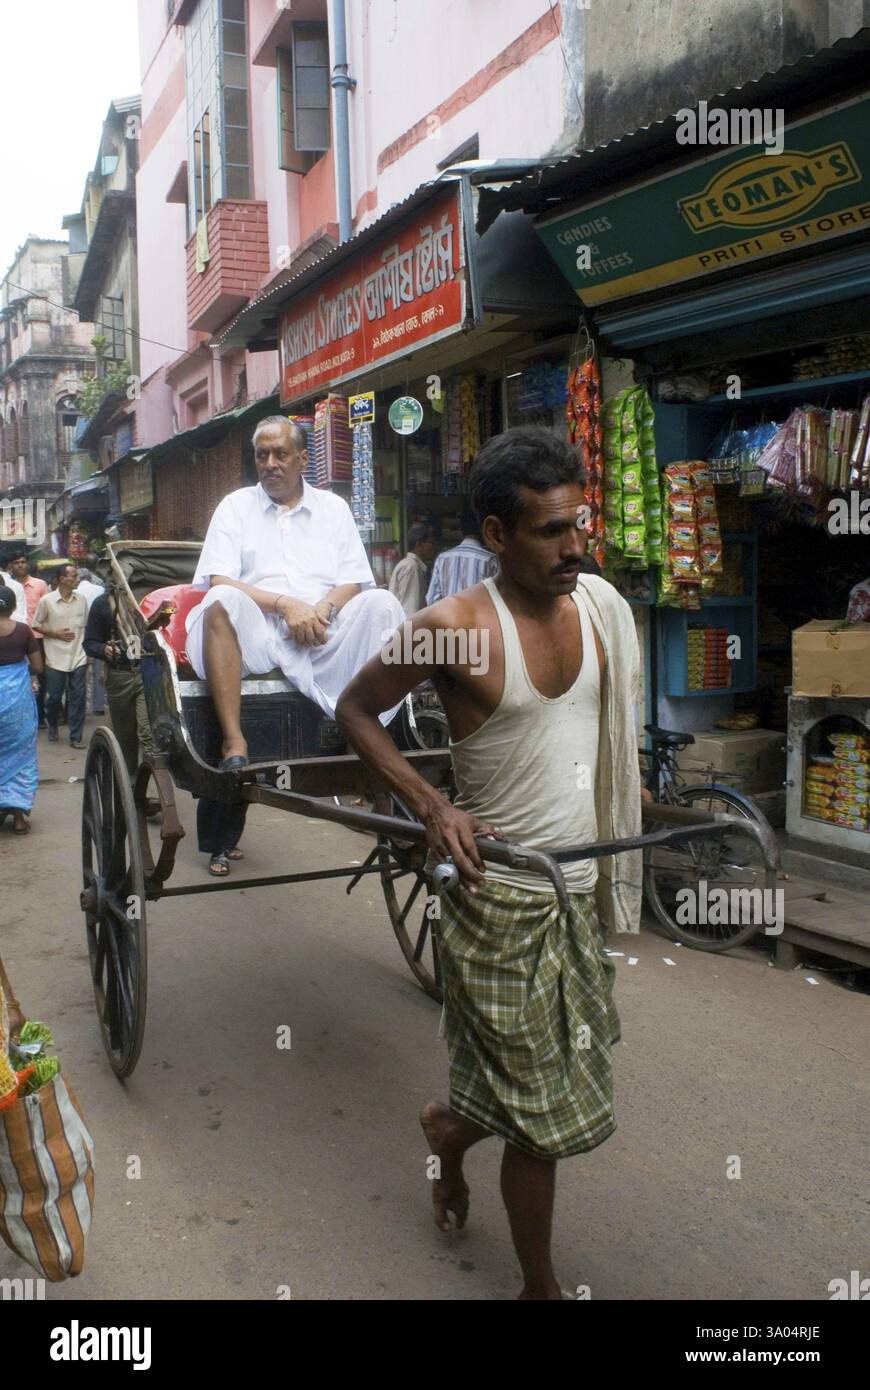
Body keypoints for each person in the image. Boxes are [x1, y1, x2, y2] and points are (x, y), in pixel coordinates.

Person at [336, 425, 644, 1300]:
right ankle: (539, 1290)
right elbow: (355, 712)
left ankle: (446, 1125)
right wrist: (431, 805)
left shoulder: (599, 610)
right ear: (497, 534)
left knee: (539, 1079)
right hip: (494, 897)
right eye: (551, 531)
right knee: (540, 1120)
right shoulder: (453, 631)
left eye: (579, 526)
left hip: (575, 891)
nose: (574, 548)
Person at [185, 415, 404, 769]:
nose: (270, 465)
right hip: (256, 638)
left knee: (382, 603)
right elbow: (220, 580)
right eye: (261, 455)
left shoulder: (333, 508)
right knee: (220, 600)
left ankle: (364, 733)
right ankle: (234, 741)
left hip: (322, 633)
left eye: (280, 455)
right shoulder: (234, 507)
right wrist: (285, 605)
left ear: (303, 460)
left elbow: (353, 579)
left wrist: (323, 608)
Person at [83, 588, 156, 777]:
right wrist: (103, 649)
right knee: (125, 737)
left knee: (148, 733)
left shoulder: (154, 598)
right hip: (119, 675)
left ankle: (154, 777)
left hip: (149, 673)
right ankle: (130, 783)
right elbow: (90, 643)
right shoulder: (103, 603)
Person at [0, 585, 43, 833]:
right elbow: (37, 666)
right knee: (22, 755)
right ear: (14, 606)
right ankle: (17, 818)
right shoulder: (23, 631)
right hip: (18, 704)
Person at [33, 563, 88, 749]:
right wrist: (55, 633)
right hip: (55, 657)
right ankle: (53, 724)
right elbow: (36, 625)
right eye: (74, 576)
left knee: (78, 698)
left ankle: (76, 736)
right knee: (54, 698)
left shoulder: (81, 600)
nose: (78, 579)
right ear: (62, 579)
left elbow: (86, 628)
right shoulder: (47, 601)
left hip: (79, 656)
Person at [425, 504, 497, 604]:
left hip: (448, 618)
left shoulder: (442, 559)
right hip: (477, 618)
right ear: (483, 530)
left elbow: (432, 599)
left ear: (461, 529)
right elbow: (496, 600)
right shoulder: (489, 559)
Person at [8, 551, 48, 726]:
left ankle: (40, 715)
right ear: (11, 566)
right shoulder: (7, 586)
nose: (20, 565)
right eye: (17, 563)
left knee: (41, 675)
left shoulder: (40, 585)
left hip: (38, 637)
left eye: (23, 562)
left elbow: (49, 609)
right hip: (13, 637)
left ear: (28, 564)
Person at [75, 565, 107, 715]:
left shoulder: (75, 592)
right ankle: (99, 706)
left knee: (80, 672)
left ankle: (82, 707)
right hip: (99, 633)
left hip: (78, 634)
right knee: (98, 669)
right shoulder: (100, 590)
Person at [389, 524, 436, 616]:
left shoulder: (411, 565)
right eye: (431, 543)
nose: (434, 547)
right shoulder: (412, 567)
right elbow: (410, 609)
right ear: (419, 544)